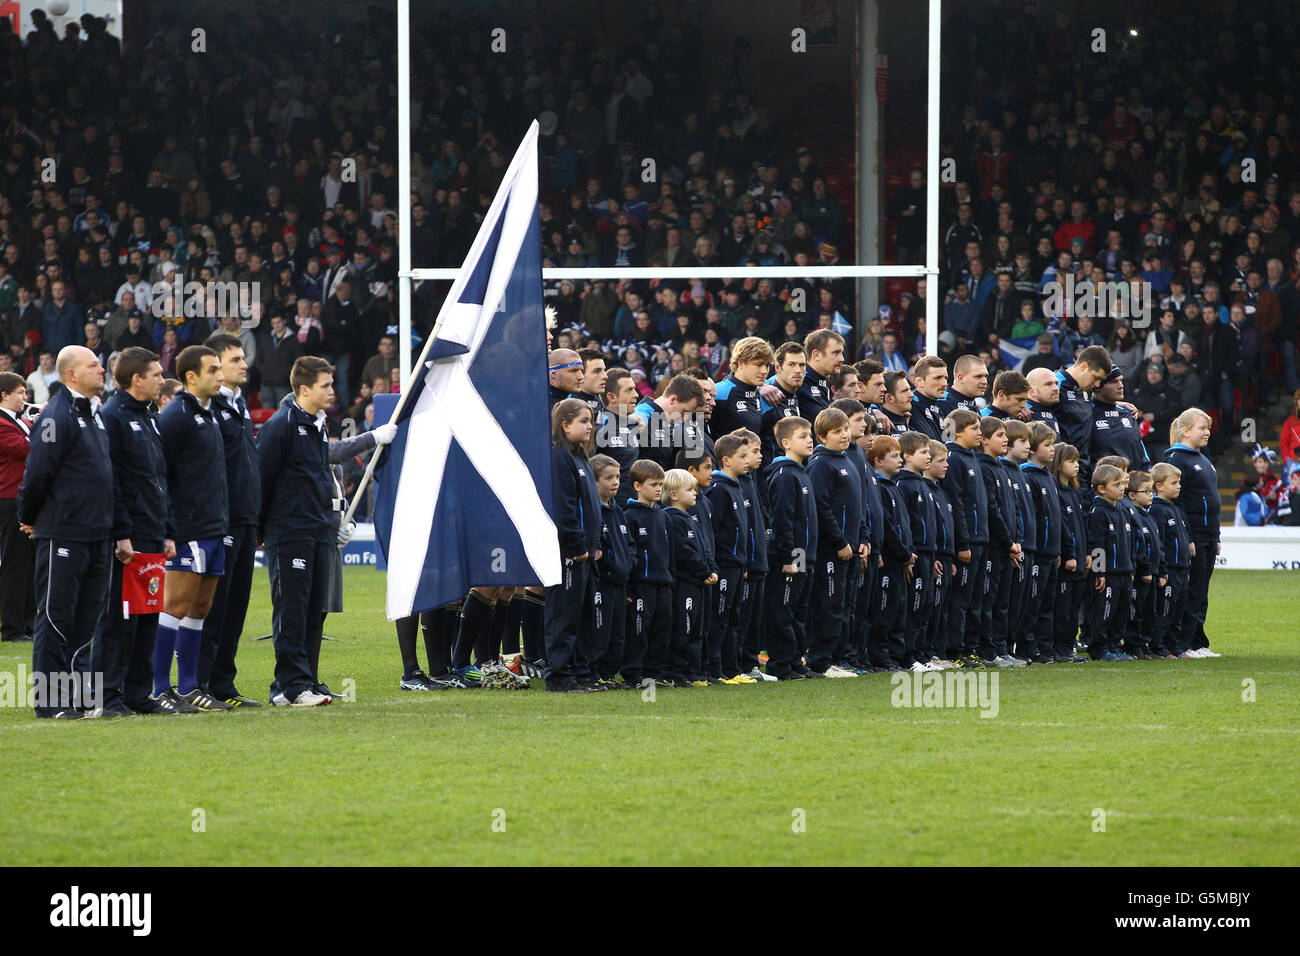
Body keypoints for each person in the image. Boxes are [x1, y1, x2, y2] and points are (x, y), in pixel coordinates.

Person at [17, 346, 113, 718]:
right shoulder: (56, 416)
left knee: (87, 620)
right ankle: (51, 702)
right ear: (71, 374)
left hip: (96, 533)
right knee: (57, 618)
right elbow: (38, 474)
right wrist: (29, 516)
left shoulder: (94, 414)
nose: (101, 368)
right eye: (92, 365)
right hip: (64, 533)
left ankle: (78, 697)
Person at [87, 349, 183, 716]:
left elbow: (159, 478)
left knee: (148, 615)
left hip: (152, 533)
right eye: (157, 375)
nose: (162, 380)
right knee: (118, 619)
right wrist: (121, 532)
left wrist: (168, 531)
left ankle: (138, 695)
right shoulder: (111, 417)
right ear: (136, 379)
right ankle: (107, 696)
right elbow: (112, 482)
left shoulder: (150, 418)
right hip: (126, 538)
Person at [257, 356, 340, 707]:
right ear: (304, 389)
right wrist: (262, 529)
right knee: (291, 608)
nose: (332, 391)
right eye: (326, 385)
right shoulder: (282, 424)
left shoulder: (317, 425)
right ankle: (289, 688)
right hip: (289, 532)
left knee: (312, 610)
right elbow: (262, 479)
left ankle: (305, 680)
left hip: (316, 529)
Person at [154, 345, 232, 711]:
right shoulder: (176, 416)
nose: (220, 375)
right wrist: (169, 528)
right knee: (175, 605)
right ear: (191, 377)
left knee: (200, 607)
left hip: (214, 527)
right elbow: (161, 475)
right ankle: (159, 687)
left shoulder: (209, 413)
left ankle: (188, 687)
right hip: (187, 529)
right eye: (213, 369)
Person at [197, 333, 262, 707]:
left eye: (242, 358)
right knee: (214, 608)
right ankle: (201, 685)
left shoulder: (240, 406)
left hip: (245, 521)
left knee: (236, 608)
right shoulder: (210, 407)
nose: (243, 364)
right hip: (221, 524)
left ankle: (224, 684)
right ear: (215, 365)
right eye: (235, 359)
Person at [545, 399, 602, 692]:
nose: (590, 426)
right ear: (565, 425)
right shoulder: (559, 458)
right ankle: (559, 675)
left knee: (582, 615)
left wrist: (595, 544)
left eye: (591, 420)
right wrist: (577, 545)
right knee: (564, 614)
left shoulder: (581, 457)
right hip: (569, 554)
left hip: (586, 552)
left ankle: (580, 672)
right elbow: (565, 509)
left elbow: (590, 507)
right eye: (583, 420)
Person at [806, 407, 862, 678]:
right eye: (837, 431)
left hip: (852, 548)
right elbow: (821, 507)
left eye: (846, 429)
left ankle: (837, 659)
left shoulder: (847, 459)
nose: (844, 435)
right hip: (832, 550)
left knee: (844, 606)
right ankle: (819, 662)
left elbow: (856, 506)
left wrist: (861, 538)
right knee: (828, 605)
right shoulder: (821, 464)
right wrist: (839, 541)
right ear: (821, 436)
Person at [1162, 408, 1222, 658]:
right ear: (1186, 431)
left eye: (1208, 428)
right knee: (1192, 591)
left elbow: (1211, 499)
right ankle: (1185, 642)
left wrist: (1216, 536)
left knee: (1202, 591)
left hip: (1208, 536)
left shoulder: (1202, 458)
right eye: (1202, 428)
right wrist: (1189, 537)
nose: (1207, 432)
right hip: (1194, 535)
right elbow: (1179, 502)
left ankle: (1199, 641)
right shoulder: (1177, 459)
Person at [764, 416, 817, 680]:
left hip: (806, 554)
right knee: (783, 610)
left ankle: (796, 662)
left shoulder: (801, 472)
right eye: (803, 436)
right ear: (786, 443)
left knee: (798, 611)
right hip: (792, 555)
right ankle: (780, 665)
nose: (810, 440)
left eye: (810, 435)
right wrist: (787, 556)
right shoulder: (785, 475)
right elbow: (782, 520)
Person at [940, 409, 989, 668]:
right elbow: (955, 504)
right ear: (957, 432)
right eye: (974, 428)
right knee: (960, 600)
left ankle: (970, 648)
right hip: (968, 543)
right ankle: (955, 651)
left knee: (975, 599)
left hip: (981, 540)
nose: (980, 432)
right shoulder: (955, 460)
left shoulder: (973, 458)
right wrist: (963, 543)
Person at [622, 458, 677, 688]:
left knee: (661, 630)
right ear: (637, 486)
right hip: (641, 586)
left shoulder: (664, 516)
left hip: (663, 584)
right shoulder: (630, 516)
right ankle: (633, 674)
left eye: (660, 484)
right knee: (638, 631)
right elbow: (628, 554)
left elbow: (670, 552)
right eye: (653, 484)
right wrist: (628, 586)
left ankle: (653, 674)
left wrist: (670, 578)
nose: (658, 489)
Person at [977, 416, 1025, 667]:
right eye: (999, 435)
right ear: (983, 440)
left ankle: (1003, 648)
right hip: (995, 549)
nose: (1005, 439)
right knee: (990, 601)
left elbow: (1013, 508)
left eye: (1006, 435)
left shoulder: (1002, 469)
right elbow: (992, 511)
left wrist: (1016, 540)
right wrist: (1007, 542)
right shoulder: (983, 468)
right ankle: (989, 651)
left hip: (1009, 548)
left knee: (1004, 602)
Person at [704, 435, 752, 684]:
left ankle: (732, 670)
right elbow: (713, 531)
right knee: (719, 616)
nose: (747, 461)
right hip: (724, 565)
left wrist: (743, 561)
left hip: (737, 564)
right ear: (725, 460)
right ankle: (714, 670)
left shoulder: (738, 486)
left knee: (734, 617)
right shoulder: (719, 489)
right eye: (742, 456)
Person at [663, 468, 715, 687]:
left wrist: (711, 569)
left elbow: (704, 548)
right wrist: (704, 572)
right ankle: (676, 671)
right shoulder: (673, 520)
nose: (695, 493)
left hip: (699, 583)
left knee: (697, 628)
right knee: (683, 627)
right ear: (674, 494)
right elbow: (686, 553)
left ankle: (695, 670)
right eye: (689, 489)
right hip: (686, 583)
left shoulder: (690, 519)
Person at [589, 453, 634, 689]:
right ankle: (593, 674)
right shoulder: (593, 513)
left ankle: (607, 675)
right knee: (600, 631)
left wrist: (628, 565)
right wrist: (609, 565)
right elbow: (597, 549)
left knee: (617, 634)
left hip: (620, 583)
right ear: (594, 482)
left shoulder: (618, 512)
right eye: (609, 478)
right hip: (602, 583)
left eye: (617, 477)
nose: (615, 482)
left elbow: (629, 545)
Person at [1019, 422, 1063, 663]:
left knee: (1048, 601)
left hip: (1051, 551)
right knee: (1033, 601)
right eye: (1047, 445)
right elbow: (1032, 516)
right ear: (1033, 448)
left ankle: (1045, 646)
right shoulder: (1029, 476)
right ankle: (1028, 646)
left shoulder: (1049, 477)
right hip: (1038, 550)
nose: (1053, 449)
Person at [895, 431, 938, 672]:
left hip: (928, 554)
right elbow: (905, 524)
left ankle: (921, 654)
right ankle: (906, 657)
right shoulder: (903, 484)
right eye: (924, 453)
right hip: (915, 554)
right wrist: (908, 554)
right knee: (913, 606)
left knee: (925, 606)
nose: (929, 457)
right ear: (907, 456)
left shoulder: (924, 484)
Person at [1084, 464, 1135, 661]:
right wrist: (1099, 573)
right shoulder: (1098, 512)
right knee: (1104, 612)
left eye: (1122, 483)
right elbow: (1096, 545)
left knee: (1121, 613)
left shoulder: (1121, 510)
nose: (1122, 488)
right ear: (1101, 489)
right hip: (1109, 574)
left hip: (1124, 571)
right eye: (1116, 484)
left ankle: (1115, 646)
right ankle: (1099, 649)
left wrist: (1130, 567)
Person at [0, 371, 36, 644]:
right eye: (21, 393)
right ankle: (12, 628)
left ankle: (27, 622)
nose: (26, 398)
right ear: (5, 395)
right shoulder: (2, 423)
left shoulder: (18, 420)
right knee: (14, 564)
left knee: (28, 564)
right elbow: (28, 449)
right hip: (9, 499)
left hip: (24, 497)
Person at [1051, 443, 1090, 663]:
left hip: (1079, 560)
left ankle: (1069, 645)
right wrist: (1070, 555)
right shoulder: (1056, 493)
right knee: (1063, 607)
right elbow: (1063, 528)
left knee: (1075, 606)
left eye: (1077, 461)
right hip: (1067, 561)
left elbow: (1080, 526)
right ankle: (1060, 647)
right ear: (1058, 464)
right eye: (1071, 461)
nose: (1076, 466)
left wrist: (1085, 553)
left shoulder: (1074, 493)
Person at [1149, 461, 1192, 659]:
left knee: (1178, 610)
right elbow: (1158, 543)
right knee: (1165, 609)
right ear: (1159, 486)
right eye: (1174, 483)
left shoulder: (1175, 508)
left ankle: (1174, 645)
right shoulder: (1157, 510)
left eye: (1179, 482)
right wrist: (1162, 569)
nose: (1178, 486)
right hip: (1170, 570)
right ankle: (1159, 646)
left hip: (1182, 569)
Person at [924, 440, 957, 669]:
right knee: (929, 608)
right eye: (941, 461)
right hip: (931, 557)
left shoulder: (940, 491)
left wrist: (950, 555)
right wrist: (934, 555)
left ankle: (937, 652)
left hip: (945, 557)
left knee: (942, 609)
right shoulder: (921, 489)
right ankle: (926, 654)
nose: (946, 465)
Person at [908, 355, 948, 439]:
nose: (945, 383)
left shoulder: (944, 407)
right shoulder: (909, 405)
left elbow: (950, 442)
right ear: (919, 382)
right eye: (938, 378)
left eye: (945, 378)